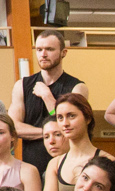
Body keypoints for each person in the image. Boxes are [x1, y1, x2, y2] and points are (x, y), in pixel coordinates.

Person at [8, 29, 88, 175]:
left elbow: (73, 128)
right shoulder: (22, 85)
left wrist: (47, 97)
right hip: (33, 168)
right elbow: (14, 128)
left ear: (64, 52)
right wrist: (49, 132)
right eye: (39, 49)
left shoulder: (77, 88)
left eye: (49, 49)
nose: (43, 54)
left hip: (67, 167)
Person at [43, 93, 102, 191]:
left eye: (71, 116)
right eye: (60, 117)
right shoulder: (55, 163)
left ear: (87, 118)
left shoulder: (107, 159)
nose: (65, 123)